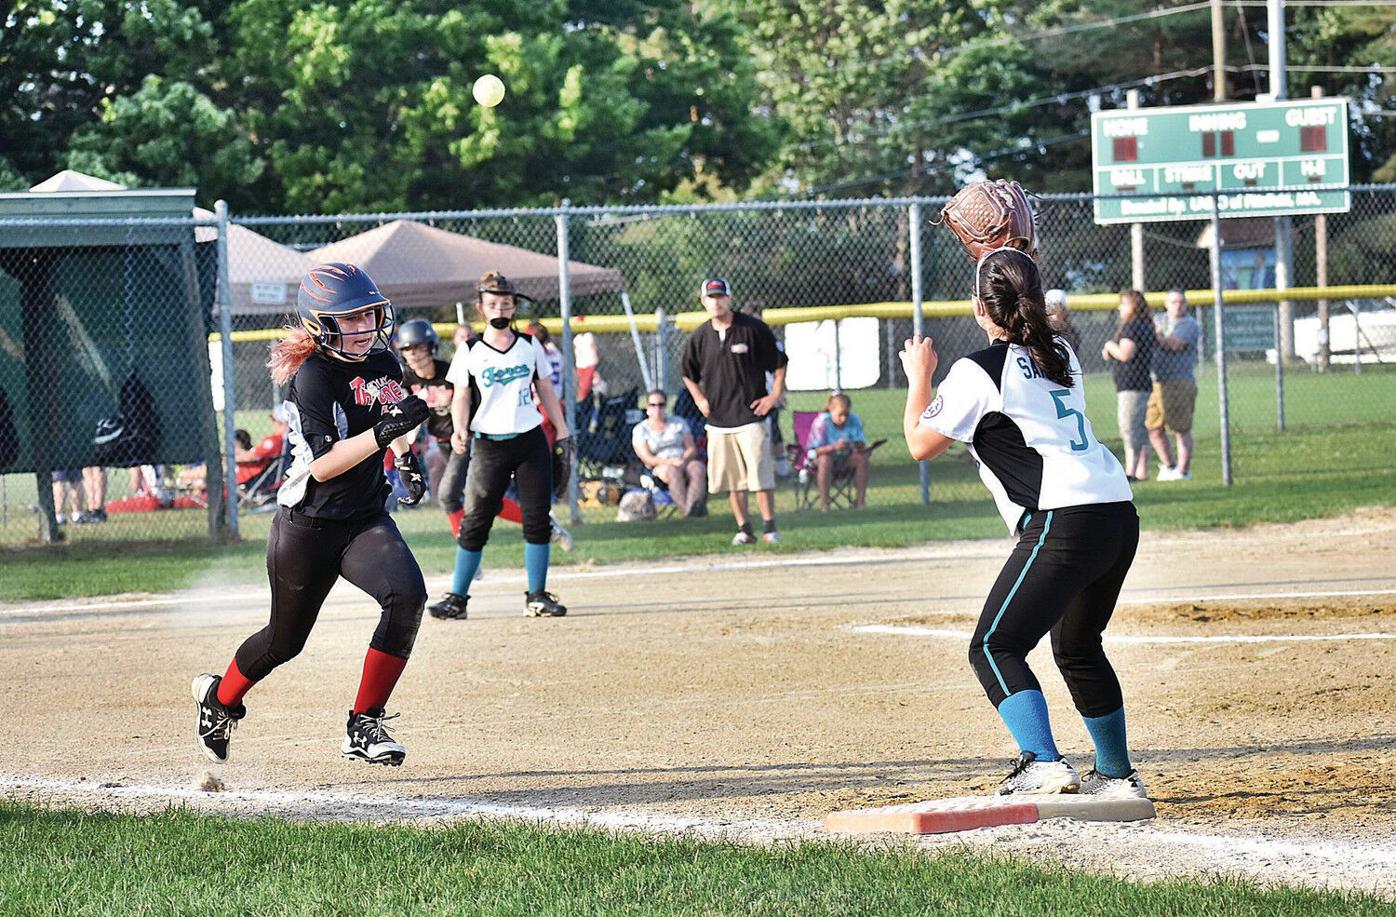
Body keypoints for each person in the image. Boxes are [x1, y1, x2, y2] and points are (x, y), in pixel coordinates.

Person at [900, 247, 1146, 800]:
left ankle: (1042, 761)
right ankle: (1116, 776)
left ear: (979, 307)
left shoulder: (976, 371)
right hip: (1116, 512)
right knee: (1079, 646)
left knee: (993, 646)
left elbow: (920, 444)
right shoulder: (1062, 352)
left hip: (1064, 518)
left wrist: (920, 376)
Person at [191, 262, 432, 768]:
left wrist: (405, 458)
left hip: (364, 517)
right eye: (351, 318)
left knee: (407, 595)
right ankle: (219, 699)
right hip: (308, 524)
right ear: (322, 323)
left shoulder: (384, 361)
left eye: (369, 314)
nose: (365, 326)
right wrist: (387, 438)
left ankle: (365, 721)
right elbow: (323, 467)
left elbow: (393, 415)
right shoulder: (314, 376)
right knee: (284, 641)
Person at [429, 272, 572, 621]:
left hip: (529, 440)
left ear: (514, 307)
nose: (500, 308)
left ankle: (536, 596)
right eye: (492, 303)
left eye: (506, 303)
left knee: (537, 519)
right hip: (489, 444)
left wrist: (564, 430)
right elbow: (461, 394)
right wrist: (460, 428)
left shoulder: (529, 345)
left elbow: (546, 389)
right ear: (481, 308)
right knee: (476, 520)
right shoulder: (470, 349)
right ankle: (457, 598)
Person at [395, 319, 571, 560]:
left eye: (419, 347)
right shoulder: (406, 381)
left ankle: (466, 552)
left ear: (432, 347)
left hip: (468, 438)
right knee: (483, 501)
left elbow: (470, 399)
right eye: (407, 349)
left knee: (447, 495)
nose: (414, 354)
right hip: (445, 443)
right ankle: (544, 522)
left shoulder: (449, 371)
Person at [681, 277, 788, 545]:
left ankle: (769, 527)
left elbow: (779, 362)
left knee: (760, 475)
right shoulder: (700, 336)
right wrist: (700, 400)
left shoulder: (751, 329)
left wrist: (774, 395)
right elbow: (688, 373)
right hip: (719, 419)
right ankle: (744, 528)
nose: (716, 302)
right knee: (733, 479)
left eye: (721, 296)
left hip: (750, 415)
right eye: (711, 298)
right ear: (703, 302)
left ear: (730, 298)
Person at [1101, 290, 1157, 482]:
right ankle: (1141, 471)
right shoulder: (1145, 325)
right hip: (1141, 383)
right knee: (1138, 427)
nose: (1120, 308)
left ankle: (1132, 471)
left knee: (1129, 427)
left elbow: (1126, 353)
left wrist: (1109, 346)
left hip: (1132, 385)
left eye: (1124, 304)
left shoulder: (1131, 326)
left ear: (1133, 306)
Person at [1147, 289, 1201, 481]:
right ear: (1166, 304)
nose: (1178, 306)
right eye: (1174, 302)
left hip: (1179, 381)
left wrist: (1156, 335)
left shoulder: (1190, 324)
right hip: (1157, 381)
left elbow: (1173, 344)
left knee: (1180, 428)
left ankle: (1184, 471)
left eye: (1181, 302)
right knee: (1153, 427)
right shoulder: (1158, 319)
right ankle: (1169, 467)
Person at [632, 389, 706, 517]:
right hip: (660, 465)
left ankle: (693, 508)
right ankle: (689, 512)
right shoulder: (641, 429)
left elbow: (691, 448)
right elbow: (647, 458)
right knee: (673, 471)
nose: (657, 409)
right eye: (653, 405)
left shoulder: (678, 422)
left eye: (661, 405)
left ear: (666, 406)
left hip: (683, 460)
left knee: (698, 468)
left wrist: (684, 460)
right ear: (647, 407)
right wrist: (671, 462)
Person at [805, 392, 872, 510]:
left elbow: (860, 441)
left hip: (846, 458)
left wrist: (855, 445)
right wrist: (834, 447)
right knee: (826, 460)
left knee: (862, 459)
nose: (844, 418)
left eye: (846, 414)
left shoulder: (854, 420)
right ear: (831, 409)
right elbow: (812, 452)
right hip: (823, 462)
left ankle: (861, 503)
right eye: (840, 415)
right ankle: (825, 505)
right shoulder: (822, 423)